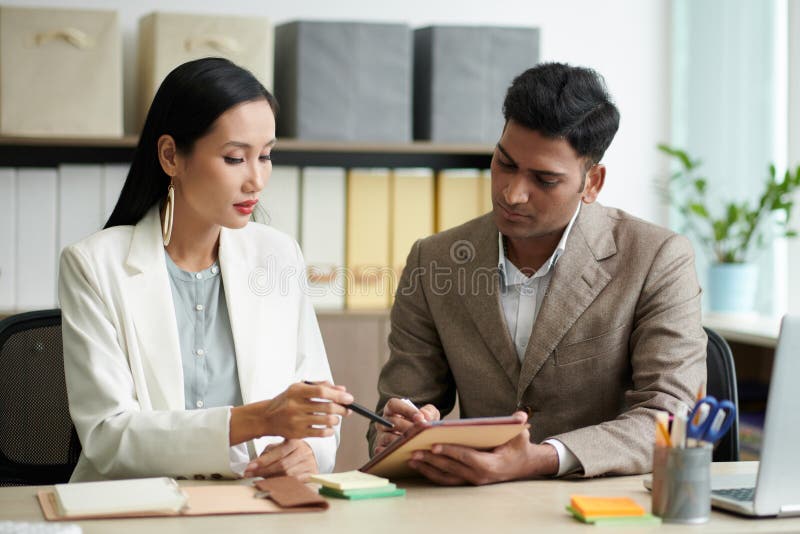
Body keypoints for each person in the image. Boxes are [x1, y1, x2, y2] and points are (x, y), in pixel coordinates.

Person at [368, 62, 706, 484]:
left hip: (606, 508)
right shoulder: (433, 260)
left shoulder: (656, 258)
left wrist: (544, 457)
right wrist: (397, 431)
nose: (512, 193)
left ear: (592, 182)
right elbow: (394, 413)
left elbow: (672, 415)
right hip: (477, 510)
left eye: (544, 180)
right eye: (505, 164)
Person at [60, 57, 352, 482]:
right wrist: (257, 419)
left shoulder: (277, 255)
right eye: (235, 158)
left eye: (266, 156)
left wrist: (306, 451)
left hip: (252, 503)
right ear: (170, 156)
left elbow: (319, 408)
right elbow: (109, 438)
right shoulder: (93, 265)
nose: (257, 180)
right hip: (137, 508)